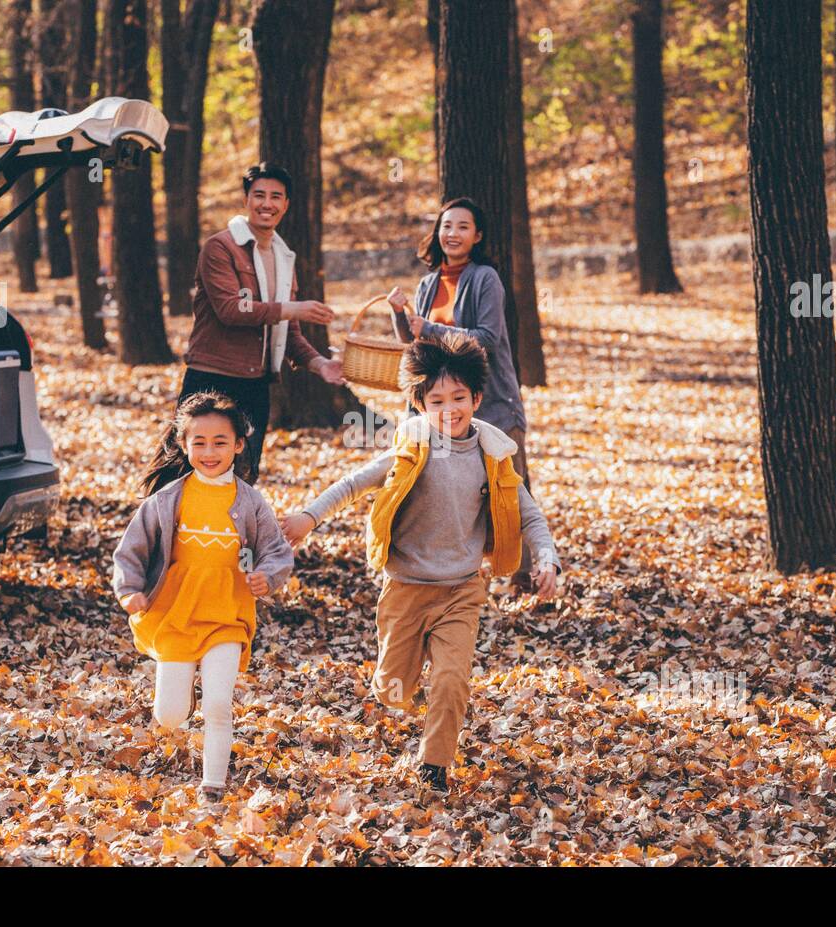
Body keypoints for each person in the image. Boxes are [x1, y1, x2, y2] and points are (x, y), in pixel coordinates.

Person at [279, 333, 560, 795]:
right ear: (420, 404)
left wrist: (547, 558)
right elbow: (354, 483)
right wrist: (310, 516)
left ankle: (434, 765)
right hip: (406, 587)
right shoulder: (412, 451)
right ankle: (401, 687)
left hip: (462, 589)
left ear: (477, 398)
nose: (449, 409)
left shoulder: (494, 457)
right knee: (392, 690)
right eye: (437, 400)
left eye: (459, 398)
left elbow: (529, 513)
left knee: (452, 680)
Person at [112, 391, 294, 802]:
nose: (210, 451)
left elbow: (276, 551)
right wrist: (130, 591)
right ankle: (183, 695)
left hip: (227, 615)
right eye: (199, 442)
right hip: (176, 614)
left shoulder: (249, 501)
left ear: (239, 445)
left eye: (220, 442)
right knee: (170, 716)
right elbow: (131, 551)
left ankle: (213, 785)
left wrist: (266, 576)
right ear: (183, 444)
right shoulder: (167, 500)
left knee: (218, 702)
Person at [385, 197, 536, 591]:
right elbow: (413, 342)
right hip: (440, 406)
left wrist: (429, 328)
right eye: (446, 226)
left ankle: (526, 576)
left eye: (463, 227)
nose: (452, 234)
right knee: (440, 486)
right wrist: (401, 315)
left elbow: (487, 339)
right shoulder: (428, 282)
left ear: (478, 235)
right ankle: (444, 567)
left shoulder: (485, 278)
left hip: (491, 401)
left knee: (508, 487)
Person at [180, 162, 345, 483]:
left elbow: (287, 330)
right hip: (211, 379)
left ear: (286, 205)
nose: (266, 204)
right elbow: (230, 309)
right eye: (259, 195)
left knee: (244, 476)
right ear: (246, 199)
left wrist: (320, 364)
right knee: (190, 476)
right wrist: (291, 308)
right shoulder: (220, 247)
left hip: (256, 387)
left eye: (275, 197)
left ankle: (233, 535)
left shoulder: (284, 256)